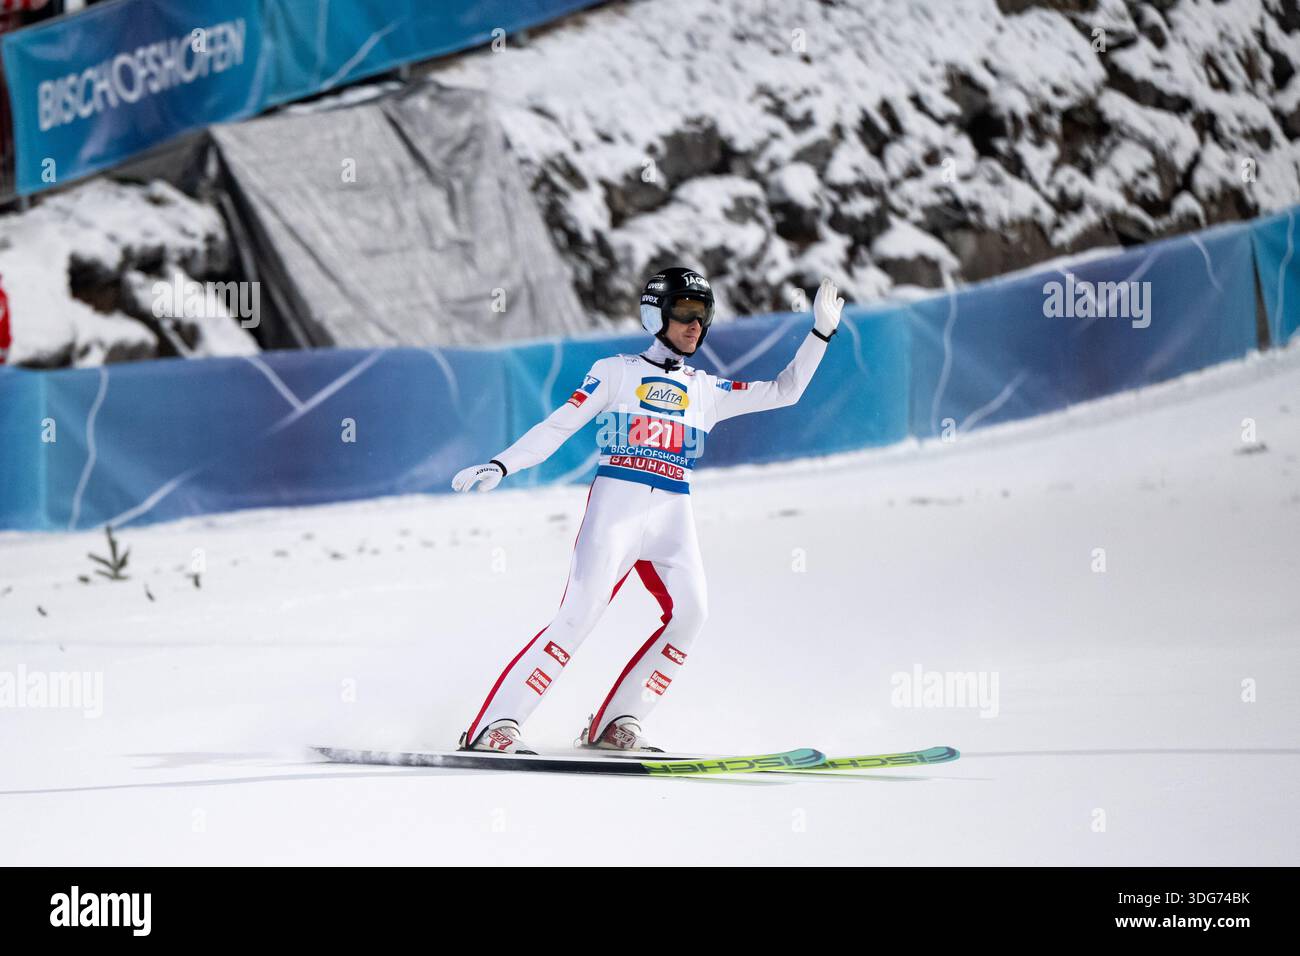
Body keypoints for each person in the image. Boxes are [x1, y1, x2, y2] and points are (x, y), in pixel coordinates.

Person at [451, 267, 843, 754]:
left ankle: (619, 722)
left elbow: (786, 391)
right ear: (654, 315)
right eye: (684, 313)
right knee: (579, 615)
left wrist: (821, 333)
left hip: (673, 517)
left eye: (702, 316)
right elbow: (556, 428)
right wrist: (501, 464)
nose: (694, 326)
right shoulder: (614, 372)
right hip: (616, 510)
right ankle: (495, 726)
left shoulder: (707, 390)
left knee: (692, 613)